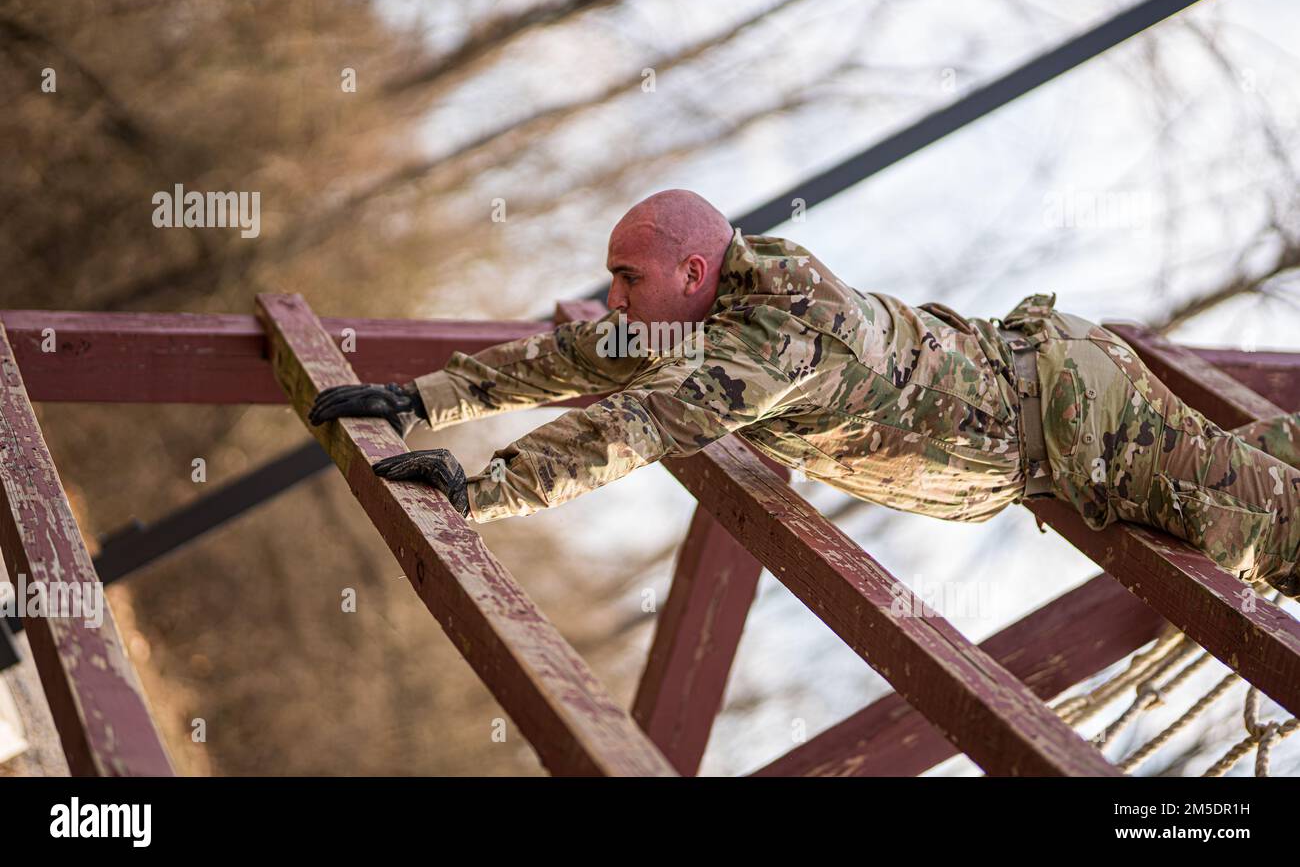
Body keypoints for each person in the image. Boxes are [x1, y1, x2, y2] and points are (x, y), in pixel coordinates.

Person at [307, 189, 1300, 599]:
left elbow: (639, 422)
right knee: (1269, 474)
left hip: (1085, 428)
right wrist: (421, 400)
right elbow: (587, 359)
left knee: (1284, 538)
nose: (612, 297)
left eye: (628, 278)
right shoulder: (717, 299)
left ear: (695, 273)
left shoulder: (774, 336)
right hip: (1048, 378)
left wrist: (486, 493)